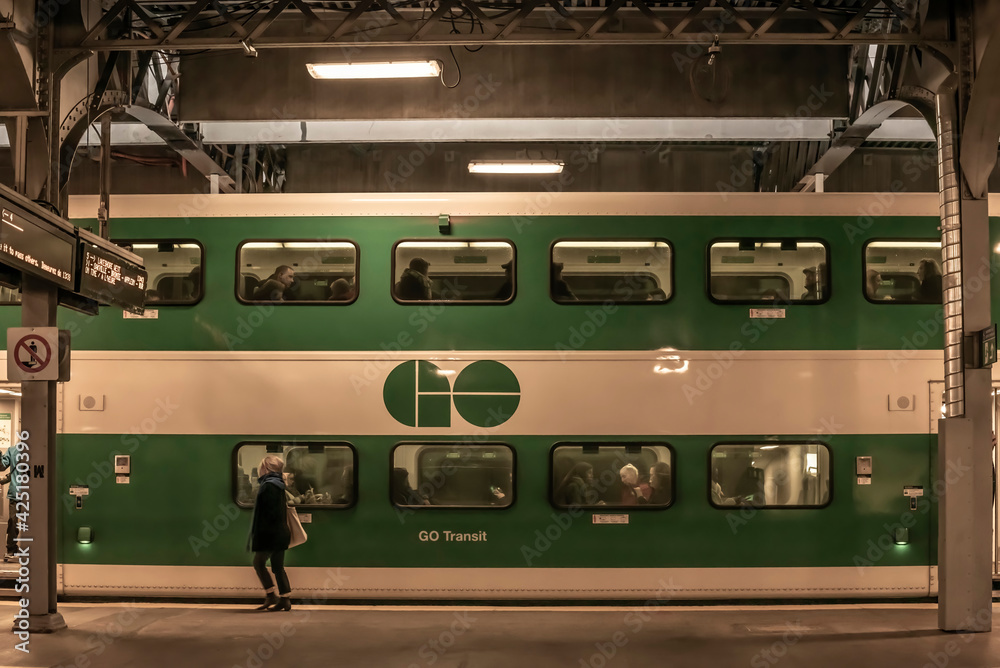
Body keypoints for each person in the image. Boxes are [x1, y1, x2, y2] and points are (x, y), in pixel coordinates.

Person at [247, 455, 292, 612]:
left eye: (261, 467)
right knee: (278, 567)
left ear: (266, 468)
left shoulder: (268, 486)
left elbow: (268, 513)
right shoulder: (279, 484)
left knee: (258, 563)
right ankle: (285, 600)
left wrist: (260, 535)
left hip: (271, 534)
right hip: (281, 532)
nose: (259, 469)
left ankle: (271, 595)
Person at [0, 446, 17, 561]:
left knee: (13, 520)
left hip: (34, 494)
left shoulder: (39, 448)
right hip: (16, 493)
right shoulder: (12, 450)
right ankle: (11, 549)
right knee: (13, 521)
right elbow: (2, 466)